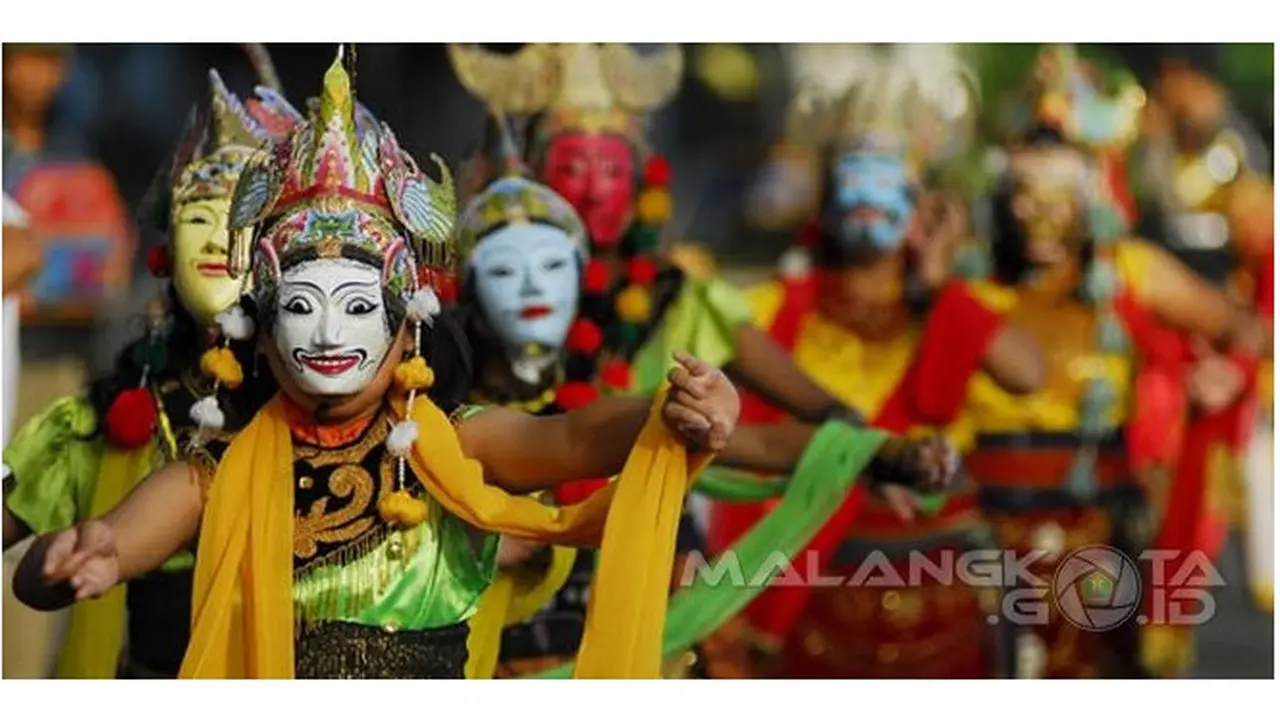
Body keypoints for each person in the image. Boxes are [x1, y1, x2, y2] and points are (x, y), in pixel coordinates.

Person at [12, 50, 742, 681]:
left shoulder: (450, 443)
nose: (329, 332)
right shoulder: (219, 470)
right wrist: (83, 556)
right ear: (259, 332)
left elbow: (572, 440)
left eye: (359, 307)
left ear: (407, 327)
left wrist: (668, 408)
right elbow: (116, 538)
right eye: (300, 305)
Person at [450, 142, 958, 679]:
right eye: (506, 271)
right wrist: (469, 539)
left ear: (583, 284)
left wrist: (877, 451)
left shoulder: (610, 377)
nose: (534, 287)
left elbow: (751, 442)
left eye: (553, 267)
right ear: (470, 290)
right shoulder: (441, 407)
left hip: (639, 629)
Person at [707, 44, 1046, 679]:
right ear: (828, 199)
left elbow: (1027, 374)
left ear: (922, 206)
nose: (869, 199)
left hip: (940, 583)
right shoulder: (776, 308)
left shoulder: (951, 308)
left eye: (889, 183)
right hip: (808, 584)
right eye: (855, 178)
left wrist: (942, 280)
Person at [962, 46, 1269, 679]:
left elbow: (1247, 328)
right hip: (978, 527)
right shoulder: (967, 278)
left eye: (1059, 198)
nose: (1041, 219)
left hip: (1094, 524)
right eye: (1025, 196)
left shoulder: (1130, 269)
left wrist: (1228, 370)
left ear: (1091, 198)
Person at [2, 68, 300, 679]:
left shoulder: (349, 416)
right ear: (164, 251)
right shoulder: (104, 418)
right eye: (199, 219)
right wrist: (57, 566)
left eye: (240, 223)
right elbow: (32, 560)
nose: (219, 241)